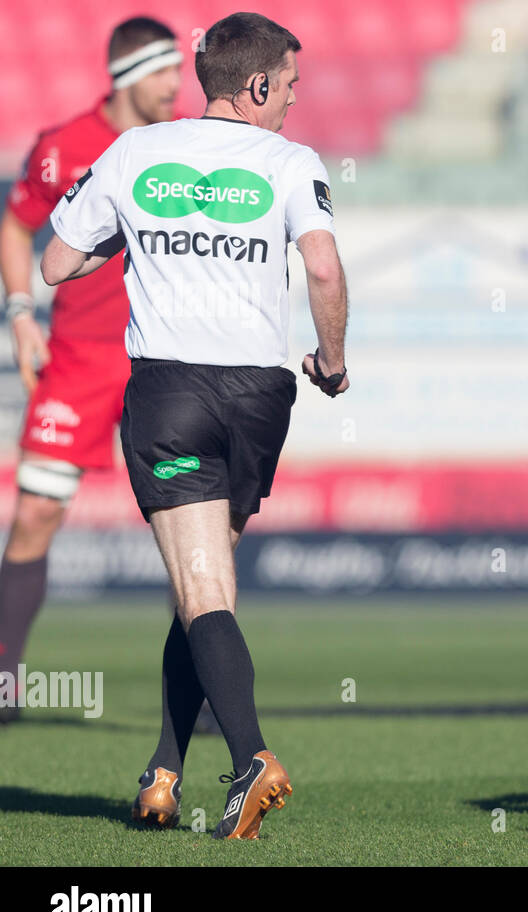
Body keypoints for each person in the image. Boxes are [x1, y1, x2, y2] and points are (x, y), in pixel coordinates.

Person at [40, 12, 348, 840]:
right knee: (203, 594)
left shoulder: (136, 151)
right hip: (259, 395)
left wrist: (130, 240)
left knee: (200, 591)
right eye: (287, 86)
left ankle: (251, 758)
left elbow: (55, 261)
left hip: (171, 393)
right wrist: (334, 359)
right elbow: (321, 264)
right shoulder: (291, 162)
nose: (291, 101)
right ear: (255, 86)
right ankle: (164, 774)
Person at [0, 17, 181, 723]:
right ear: (132, 74)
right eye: (166, 73)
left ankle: (194, 697)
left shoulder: (183, 146)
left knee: (184, 533)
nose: (177, 87)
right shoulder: (62, 148)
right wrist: (20, 313)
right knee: (37, 513)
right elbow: (17, 224)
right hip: (75, 359)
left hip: (160, 360)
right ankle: (5, 679)